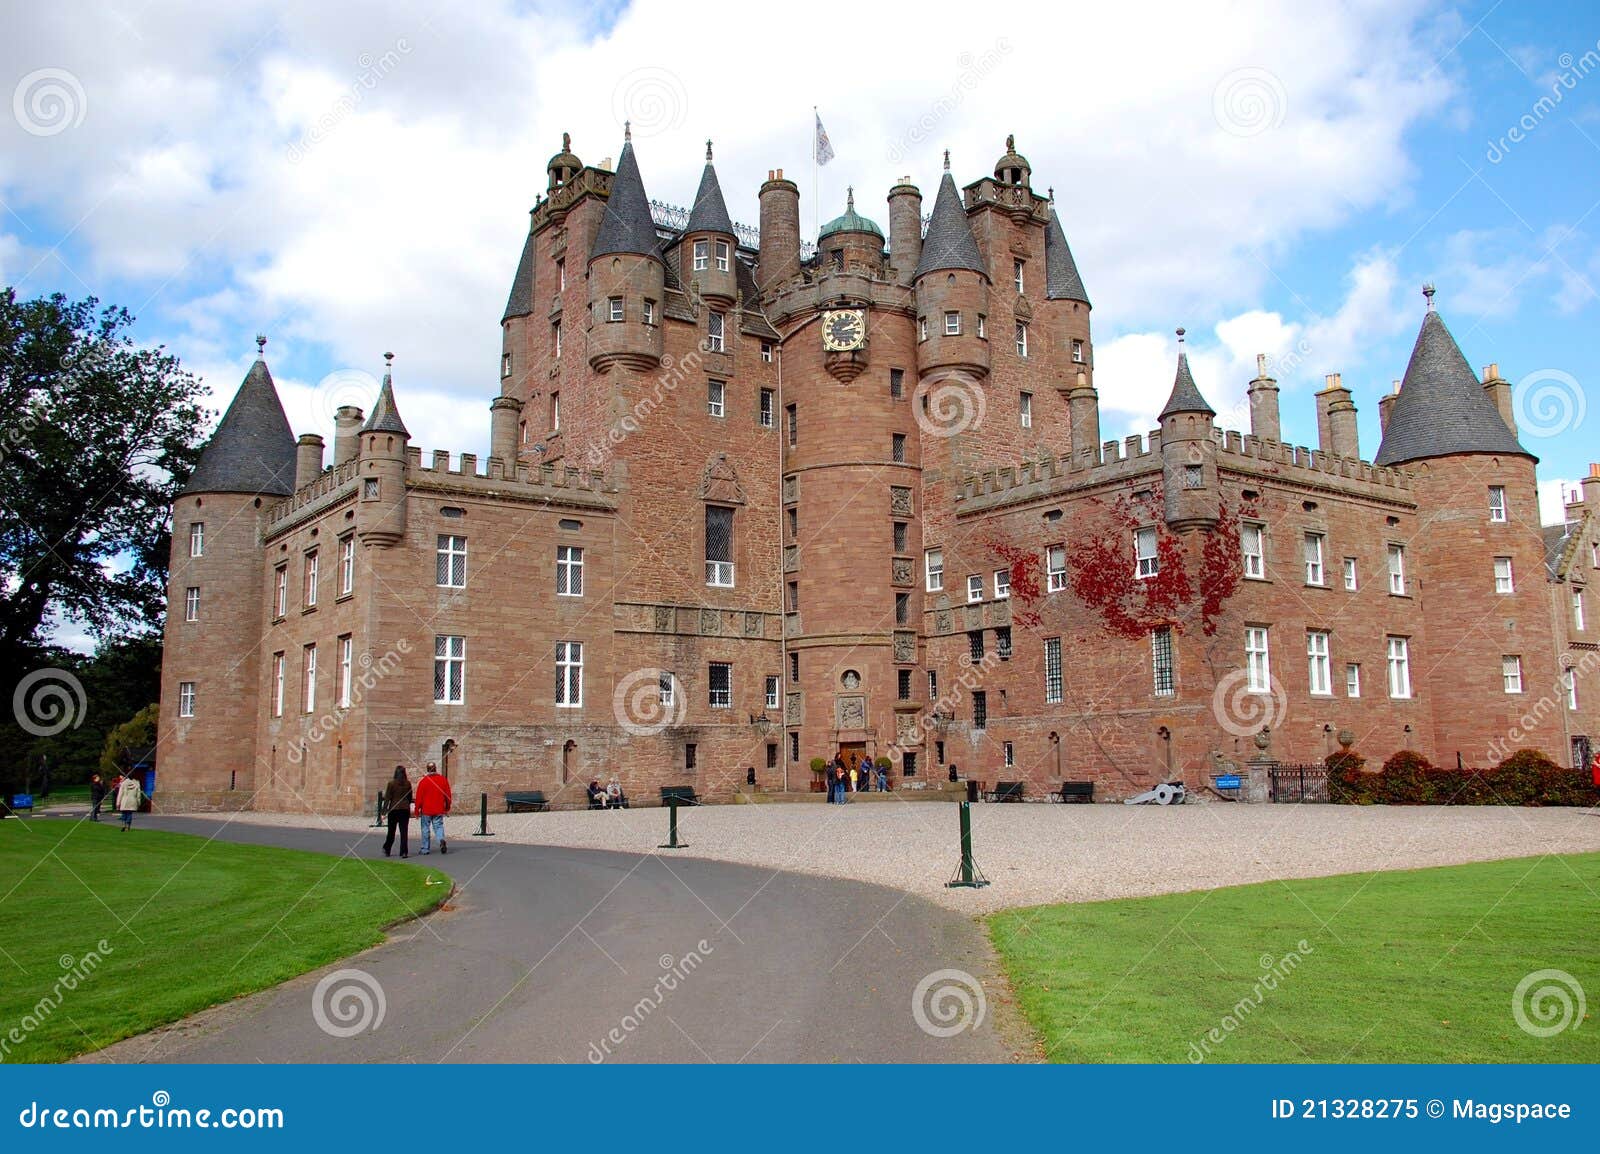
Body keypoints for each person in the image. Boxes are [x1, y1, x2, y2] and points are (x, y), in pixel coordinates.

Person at [414, 762, 453, 855]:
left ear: (427, 769)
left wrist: (416, 810)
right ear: (435, 769)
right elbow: (448, 795)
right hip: (438, 808)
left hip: (426, 809)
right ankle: (441, 840)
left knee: (425, 828)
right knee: (438, 826)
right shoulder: (443, 780)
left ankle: (425, 848)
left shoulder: (423, 781)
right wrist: (447, 807)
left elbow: (419, 798)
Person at [382, 766, 412, 858]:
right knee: (404, 832)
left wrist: (384, 812)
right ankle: (404, 851)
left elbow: (387, 798)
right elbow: (410, 797)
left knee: (391, 831)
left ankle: (387, 849)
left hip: (394, 809)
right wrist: (407, 804)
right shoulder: (408, 783)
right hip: (404, 809)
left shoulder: (391, 784)